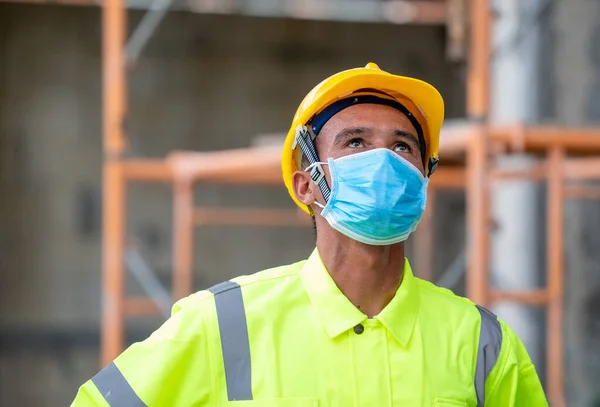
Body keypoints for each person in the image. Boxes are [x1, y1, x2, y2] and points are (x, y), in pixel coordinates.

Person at [71, 62, 548, 406]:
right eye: (355, 142)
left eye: (403, 146)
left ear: (422, 183)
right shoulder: (222, 323)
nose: (383, 162)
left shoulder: (482, 343)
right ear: (307, 185)